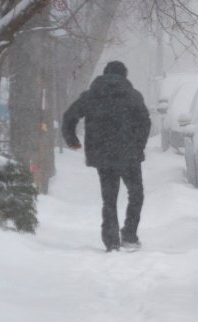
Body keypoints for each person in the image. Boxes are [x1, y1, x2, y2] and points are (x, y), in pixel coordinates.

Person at [62, 60, 152, 252]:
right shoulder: (133, 96)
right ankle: (129, 234)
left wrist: (72, 139)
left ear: (104, 74)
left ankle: (111, 240)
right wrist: (139, 145)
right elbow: (145, 122)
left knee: (109, 198)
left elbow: (70, 116)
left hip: (103, 155)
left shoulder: (92, 95)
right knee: (136, 194)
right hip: (130, 155)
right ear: (124, 75)